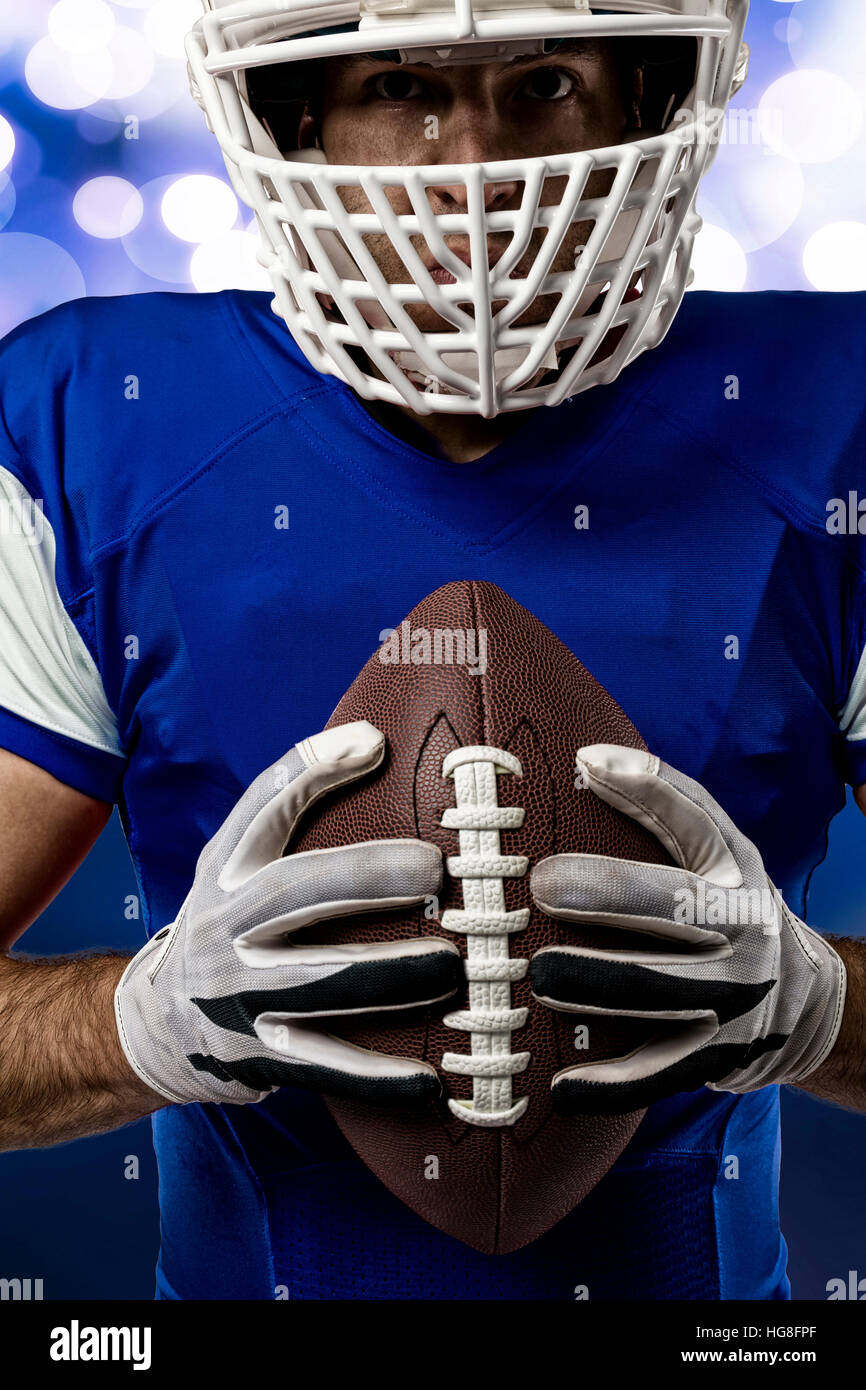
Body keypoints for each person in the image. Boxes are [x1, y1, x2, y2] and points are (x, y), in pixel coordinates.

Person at [0, 0, 863, 1300]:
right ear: (298, 121)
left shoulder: (830, 419)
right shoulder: (96, 427)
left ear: (648, 99)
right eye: (402, 84)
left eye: (543, 83)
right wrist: (139, 1022)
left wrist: (815, 1004)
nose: (472, 169)